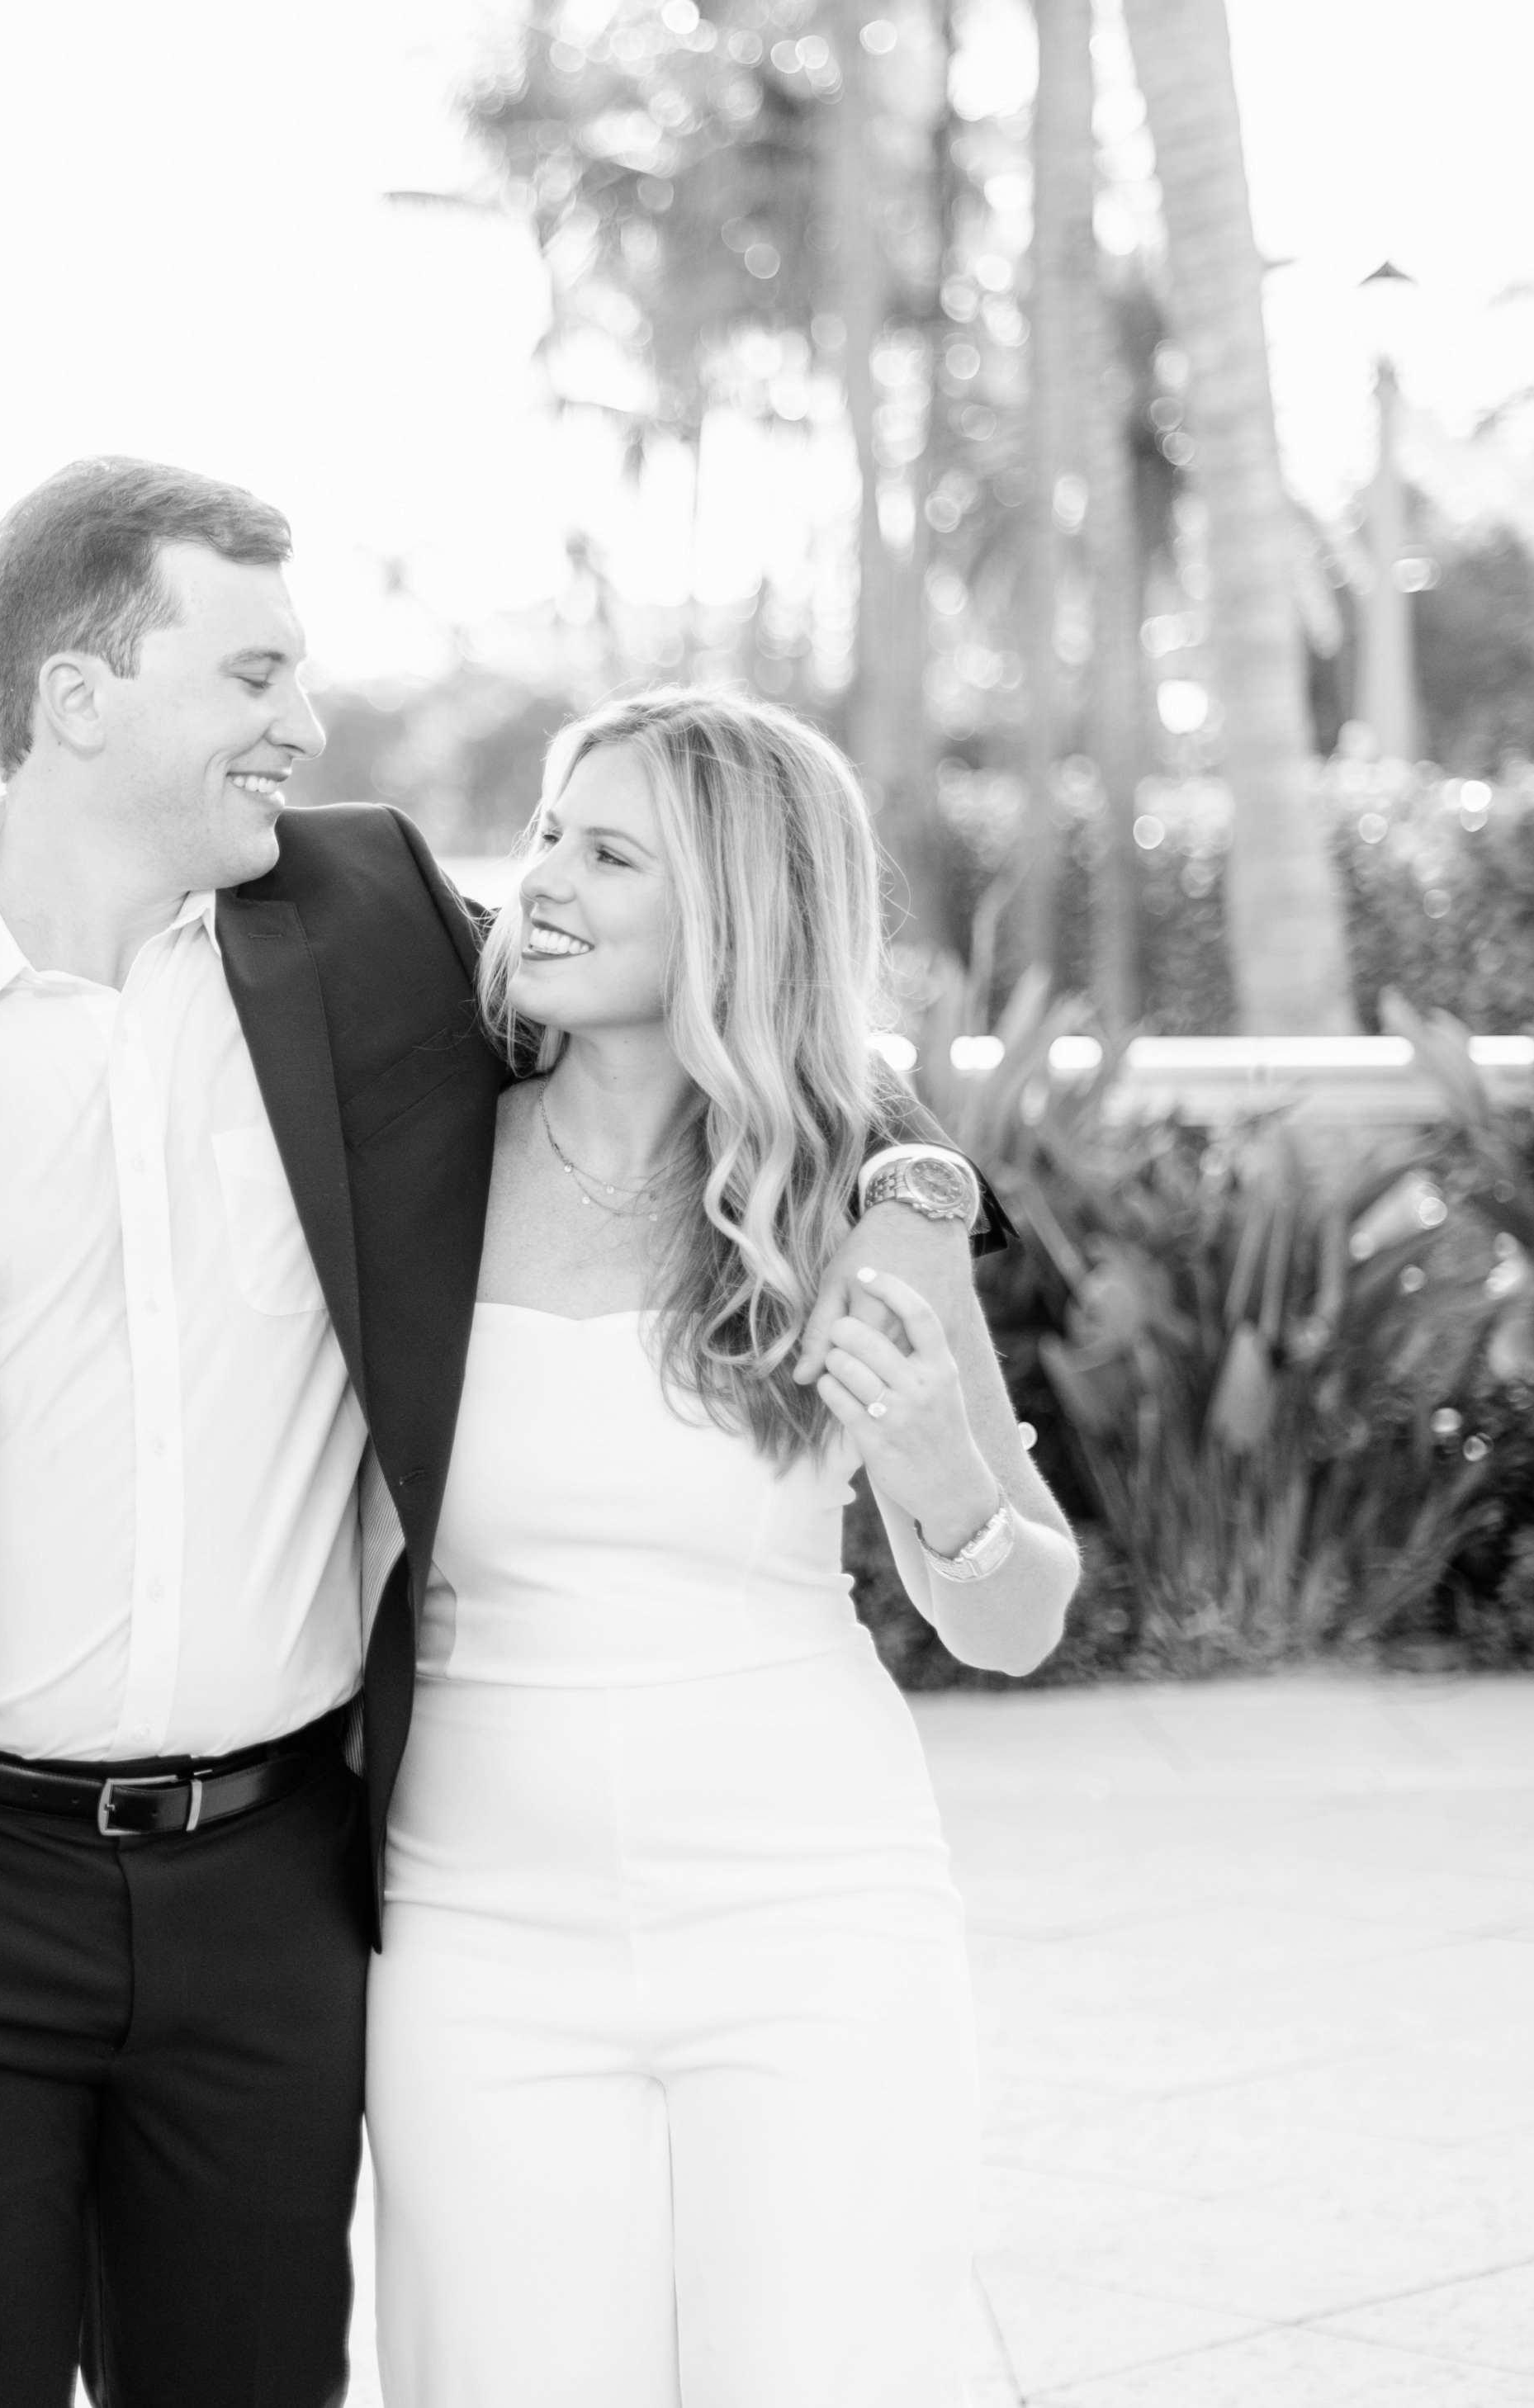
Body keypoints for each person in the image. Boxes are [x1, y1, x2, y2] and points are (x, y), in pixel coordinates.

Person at [0, 460, 985, 2406]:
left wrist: (912, 1180)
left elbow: (727, 982)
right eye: (253, 675)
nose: (304, 723)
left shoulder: (369, 923)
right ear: (79, 698)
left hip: (270, 1906)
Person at [366, 688, 1076, 2406]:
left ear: (738, 911)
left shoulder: (857, 1199)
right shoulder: (408, 1174)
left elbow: (1017, 1617)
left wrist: (936, 1463)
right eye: (547, 831)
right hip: (470, 1929)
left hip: (810, 1918)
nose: (541, 880)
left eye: (609, 854)